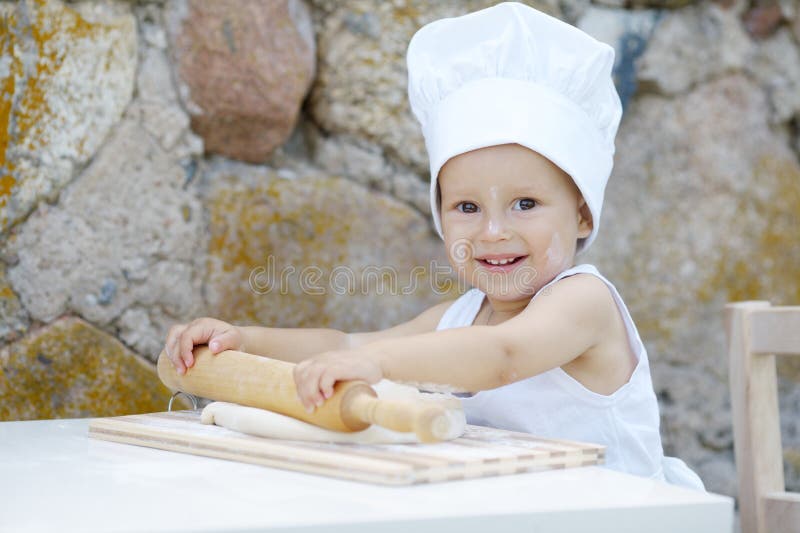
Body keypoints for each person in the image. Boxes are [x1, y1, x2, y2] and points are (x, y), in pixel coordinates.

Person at [163, 2, 704, 490]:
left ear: (583, 212)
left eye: (525, 204)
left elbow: (502, 357)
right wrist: (244, 340)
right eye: (467, 208)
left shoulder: (584, 302)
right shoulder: (461, 317)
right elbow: (348, 345)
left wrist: (378, 362)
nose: (493, 232)